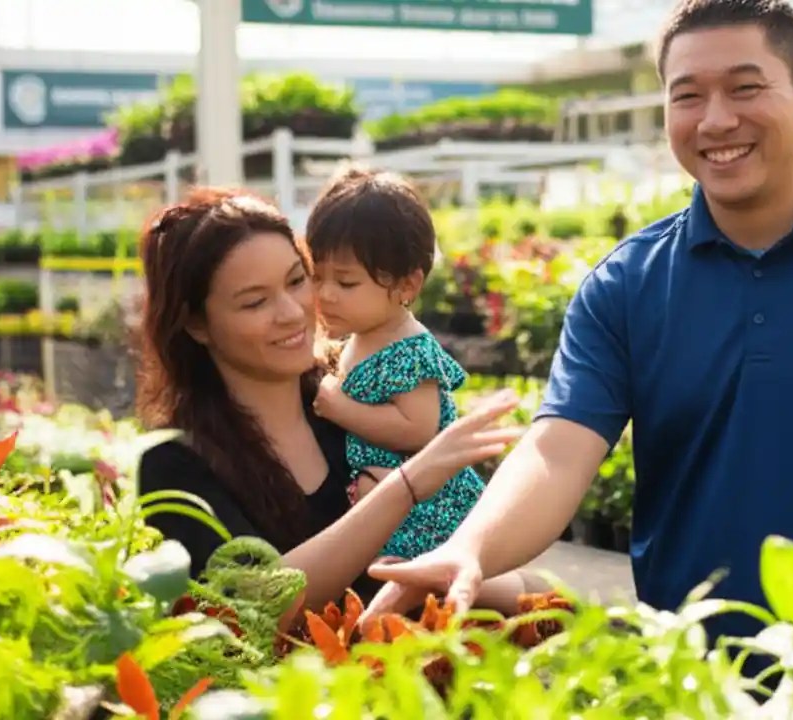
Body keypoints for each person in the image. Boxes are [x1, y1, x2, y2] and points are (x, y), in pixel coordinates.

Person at [363, 0, 793, 678]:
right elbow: (558, 450)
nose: (717, 120)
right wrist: (473, 549)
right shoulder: (628, 286)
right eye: (687, 95)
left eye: (745, 87)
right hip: (695, 687)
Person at [134, 187, 523, 612]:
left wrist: (447, 575)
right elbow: (249, 610)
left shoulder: (362, 401)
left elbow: (488, 576)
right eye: (255, 302)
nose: (292, 311)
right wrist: (404, 488)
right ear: (197, 325)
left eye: (297, 280)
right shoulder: (173, 463)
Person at [304, 166, 535, 606]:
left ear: (407, 284)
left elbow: (418, 429)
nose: (326, 294)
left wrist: (341, 410)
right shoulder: (361, 336)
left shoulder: (407, 350)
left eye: (346, 282)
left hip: (426, 501)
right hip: (388, 496)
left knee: (442, 579)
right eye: (317, 277)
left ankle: (525, 599)